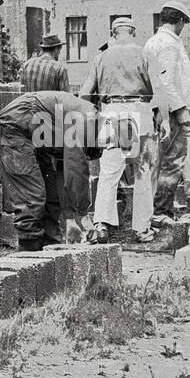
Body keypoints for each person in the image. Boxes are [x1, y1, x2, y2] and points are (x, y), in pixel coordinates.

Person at [79, 16, 157, 244]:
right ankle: (142, 229)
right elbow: (158, 88)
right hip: (140, 109)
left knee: (109, 172)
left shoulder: (102, 56)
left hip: (112, 110)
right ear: (133, 32)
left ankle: (101, 224)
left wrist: (90, 117)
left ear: (113, 34)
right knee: (143, 172)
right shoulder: (144, 54)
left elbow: (85, 93)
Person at [0, 89, 97, 249]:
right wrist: (83, 215)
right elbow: (77, 169)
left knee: (52, 197)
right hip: (17, 123)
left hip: (37, 130)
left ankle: (52, 253)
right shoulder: (85, 122)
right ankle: (29, 258)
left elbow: (66, 169)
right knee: (32, 197)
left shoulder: (90, 121)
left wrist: (70, 219)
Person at [144, 0, 190, 218]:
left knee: (157, 161)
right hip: (172, 111)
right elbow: (166, 81)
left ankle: (156, 208)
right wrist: (181, 109)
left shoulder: (152, 42)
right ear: (180, 21)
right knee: (173, 162)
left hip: (159, 109)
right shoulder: (169, 44)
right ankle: (162, 211)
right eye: (184, 23)